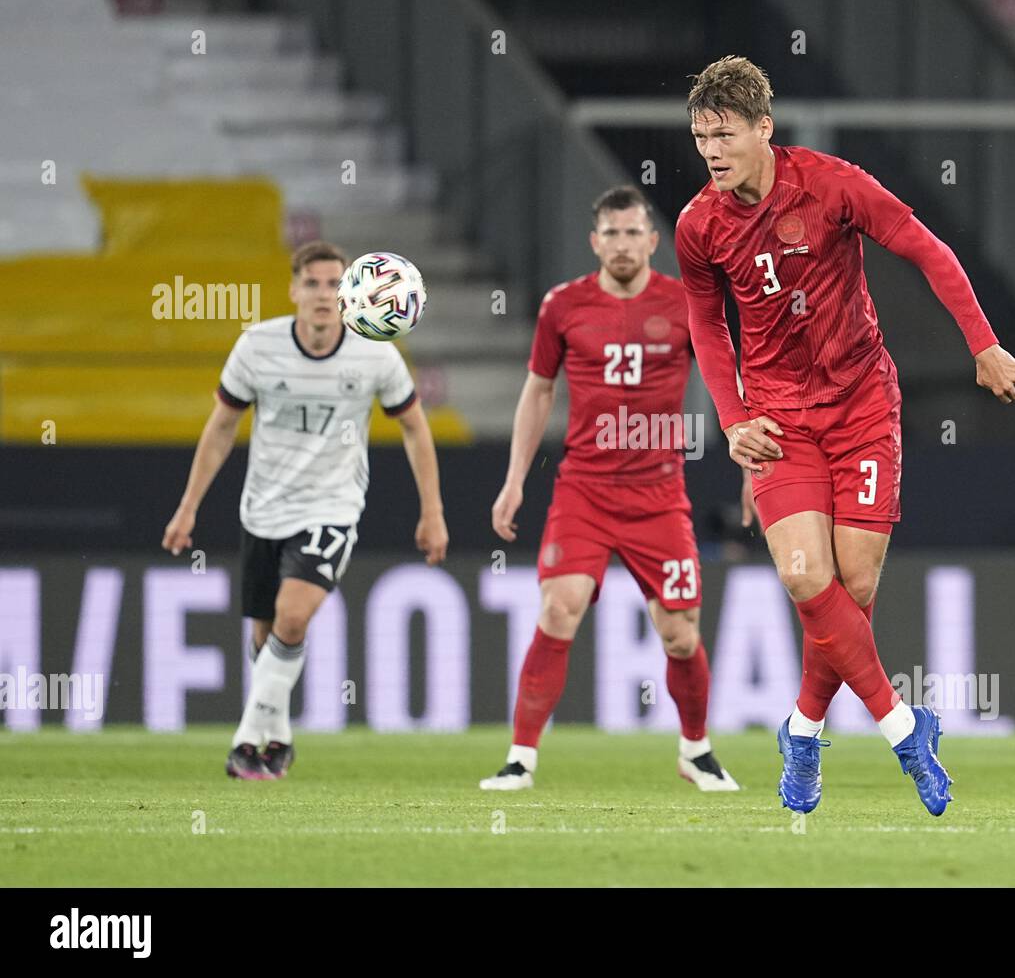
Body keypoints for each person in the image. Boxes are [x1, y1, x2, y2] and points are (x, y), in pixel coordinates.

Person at [674, 56, 1015, 816]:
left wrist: (983, 342)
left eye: (725, 133)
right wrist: (734, 418)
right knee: (808, 578)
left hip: (863, 405)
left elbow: (923, 246)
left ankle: (802, 732)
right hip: (779, 421)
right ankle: (907, 731)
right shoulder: (698, 226)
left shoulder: (833, 184)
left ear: (763, 129)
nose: (711, 149)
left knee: (855, 587)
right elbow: (705, 325)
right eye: (702, 134)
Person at [482, 186, 738, 792]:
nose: (623, 244)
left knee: (681, 630)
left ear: (652, 241)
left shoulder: (685, 305)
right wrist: (515, 479)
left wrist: (752, 463)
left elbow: (729, 379)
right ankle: (520, 757)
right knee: (558, 608)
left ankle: (696, 750)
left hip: (660, 494)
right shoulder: (562, 307)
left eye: (633, 233)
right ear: (595, 241)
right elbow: (538, 390)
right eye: (611, 233)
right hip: (585, 492)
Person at [162, 240, 448, 779]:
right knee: (267, 633)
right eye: (312, 284)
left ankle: (248, 742)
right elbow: (222, 427)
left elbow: (414, 426)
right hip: (264, 508)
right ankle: (280, 738)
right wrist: (188, 507)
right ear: (293, 289)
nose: (323, 295)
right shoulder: (257, 346)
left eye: (334, 284)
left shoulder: (376, 352)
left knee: (295, 615)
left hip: (332, 506)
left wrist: (432, 510)